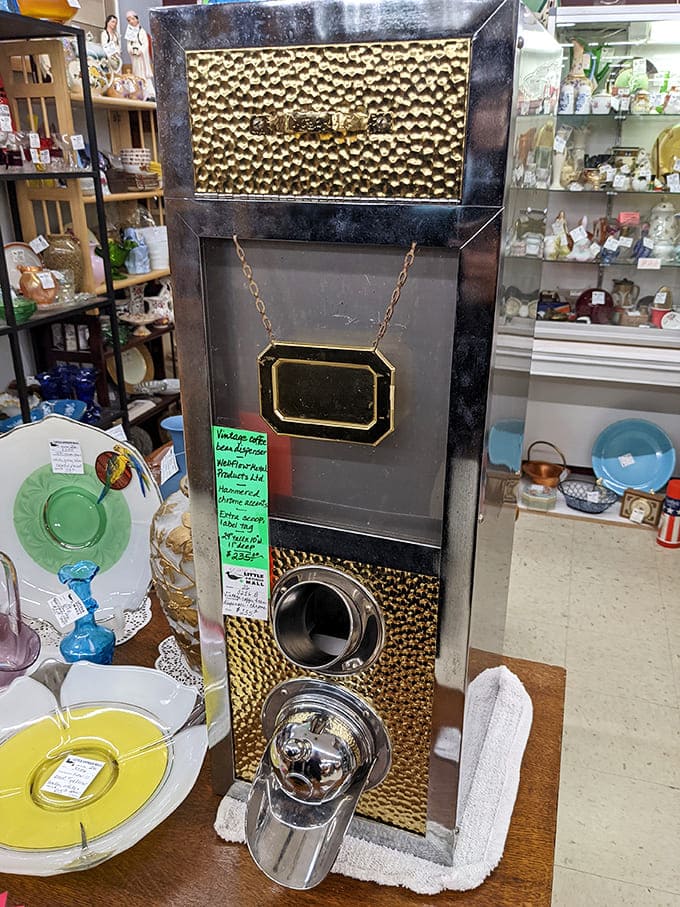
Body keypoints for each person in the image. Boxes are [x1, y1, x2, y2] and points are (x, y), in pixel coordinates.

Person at [124, 10, 154, 98]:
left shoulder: (142, 32)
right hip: (135, 58)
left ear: (137, 19)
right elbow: (128, 45)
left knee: (144, 75)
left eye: (133, 19)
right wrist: (132, 50)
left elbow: (145, 44)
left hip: (142, 57)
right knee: (136, 74)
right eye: (129, 20)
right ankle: (138, 93)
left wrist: (140, 50)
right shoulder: (129, 33)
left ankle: (149, 94)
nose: (131, 21)